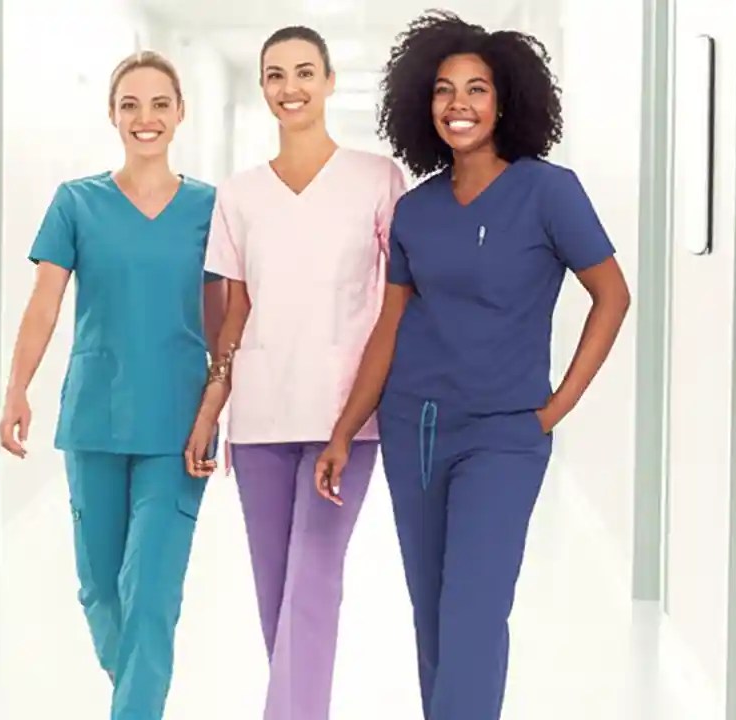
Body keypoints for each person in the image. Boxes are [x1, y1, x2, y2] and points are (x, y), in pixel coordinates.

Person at [314, 11, 632, 720]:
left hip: (504, 436)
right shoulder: (417, 210)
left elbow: (612, 296)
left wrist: (556, 406)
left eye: (477, 89)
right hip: (413, 429)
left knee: (474, 615)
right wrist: (345, 430)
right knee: (432, 621)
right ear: (422, 106)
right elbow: (389, 326)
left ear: (506, 100)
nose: (459, 104)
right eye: (444, 90)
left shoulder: (550, 192)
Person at [182, 25, 408, 720]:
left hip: (349, 415)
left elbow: (400, 298)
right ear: (263, 88)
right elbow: (235, 310)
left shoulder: (377, 179)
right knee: (274, 591)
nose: (291, 88)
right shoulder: (239, 195)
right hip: (260, 416)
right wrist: (210, 407)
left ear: (330, 81)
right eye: (276, 75)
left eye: (305, 72)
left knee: (313, 581)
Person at [0, 50, 224, 720]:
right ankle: (138, 696)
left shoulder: (210, 208)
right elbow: (44, 303)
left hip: (178, 428)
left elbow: (226, 321)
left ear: (180, 113)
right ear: (113, 116)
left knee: (150, 593)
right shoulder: (77, 202)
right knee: (101, 591)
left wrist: (221, 407)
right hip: (95, 419)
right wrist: (17, 388)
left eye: (159, 104)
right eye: (131, 105)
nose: (145, 118)